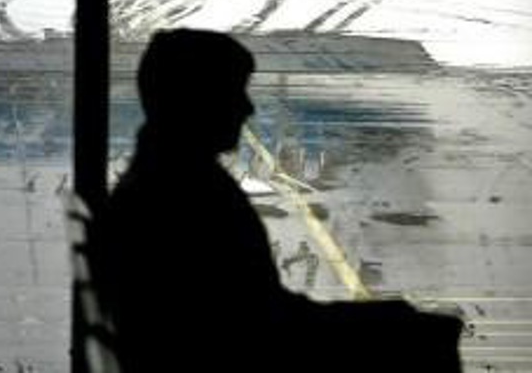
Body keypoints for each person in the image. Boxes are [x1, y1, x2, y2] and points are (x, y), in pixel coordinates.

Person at [93, 28, 462, 372]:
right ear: (198, 101)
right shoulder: (189, 193)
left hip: (217, 347)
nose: (246, 108)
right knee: (419, 338)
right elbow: (257, 324)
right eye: (234, 91)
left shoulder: (164, 180)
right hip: (241, 352)